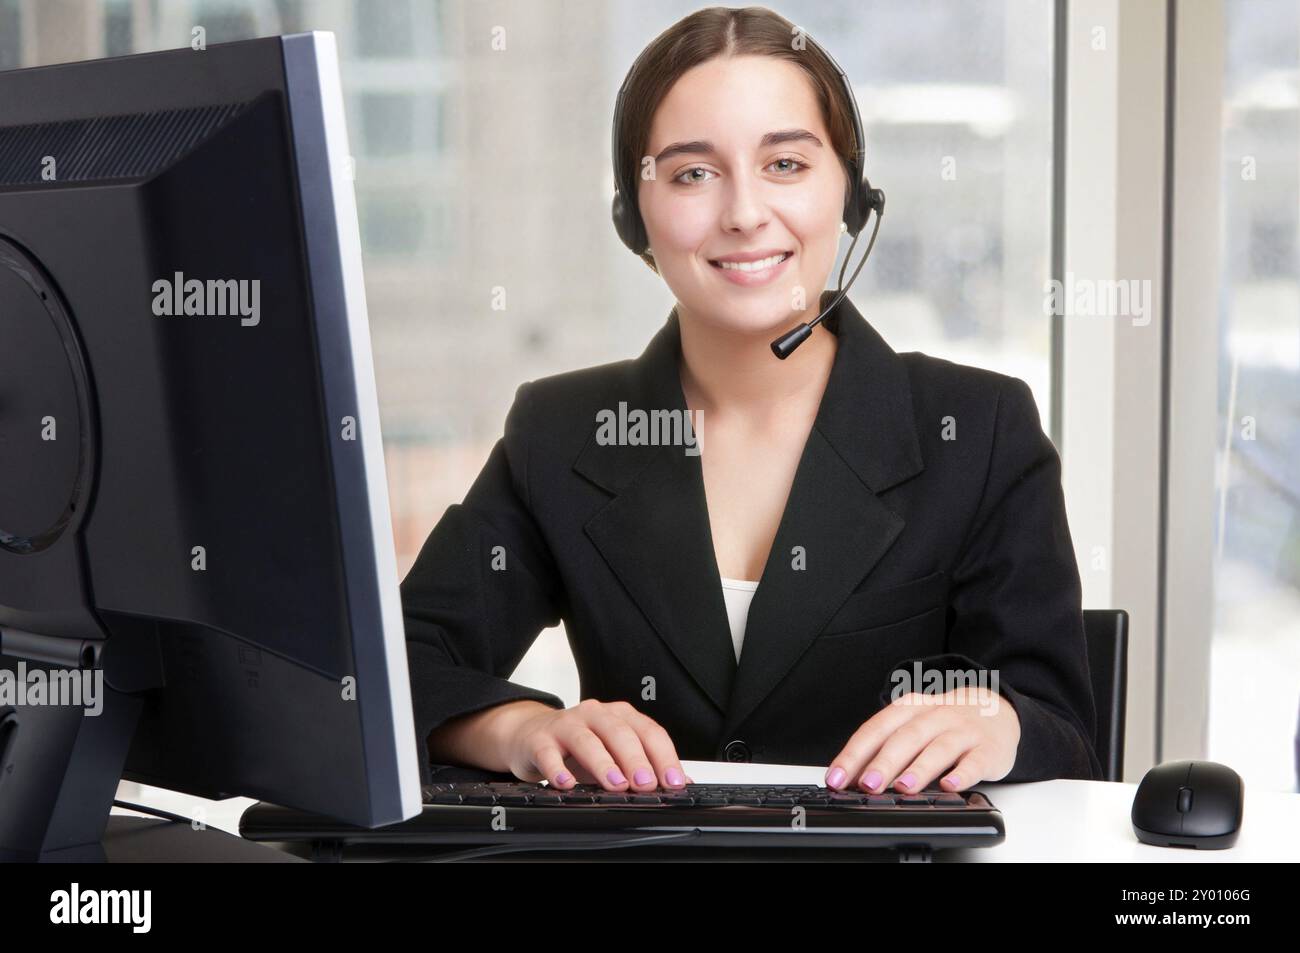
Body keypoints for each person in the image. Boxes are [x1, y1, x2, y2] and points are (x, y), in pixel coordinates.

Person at [402, 5, 1102, 797]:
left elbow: (1066, 733)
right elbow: (393, 666)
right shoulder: (561, 433)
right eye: (692, 172)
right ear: (635, 215)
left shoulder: (977, 430)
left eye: (787, 165)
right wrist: (521, 728)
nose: (741, 212)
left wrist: (999, 723)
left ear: (851, 194)